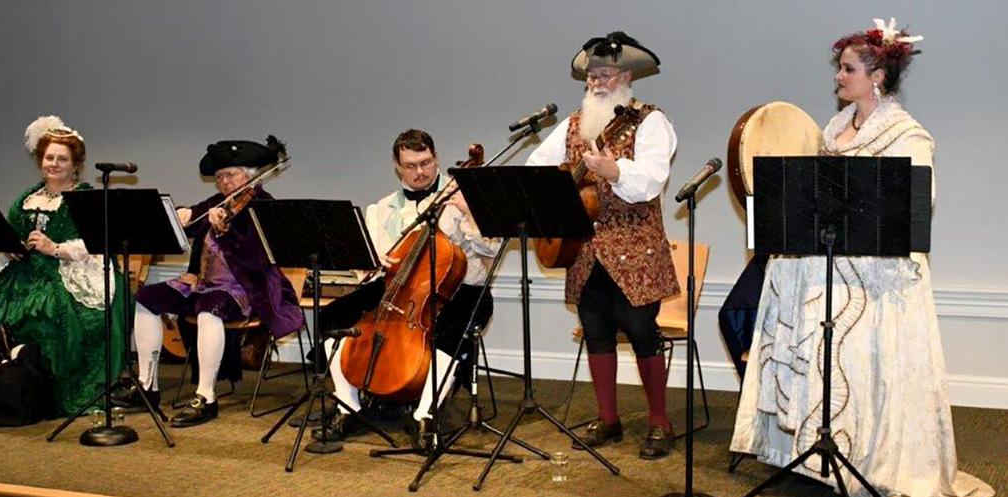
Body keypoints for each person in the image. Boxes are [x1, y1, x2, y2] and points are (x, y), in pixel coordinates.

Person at [730, 18, 994, 497]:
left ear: (876, 77)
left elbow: (915, 199)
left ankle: (871, 454)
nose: (838, 76)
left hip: (877, 275)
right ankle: (819, 453)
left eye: (848, 69)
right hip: (831, 262)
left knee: (860, 359)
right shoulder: (835, 126)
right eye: (840, 68)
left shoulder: (907, 135)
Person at [526, 31, 680, 459]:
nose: (596, 82)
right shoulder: (573, 124)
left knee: (641, 330)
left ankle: (660, 423)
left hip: (635, 249)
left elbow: (650, 181)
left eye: (606, 74)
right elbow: (535, 168)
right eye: (591, 75)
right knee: (595, 332)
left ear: (626, 77)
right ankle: (608, 419)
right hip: (585, 250)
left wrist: (613, 170)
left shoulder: (651, 121)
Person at [317, 129, 498, 447]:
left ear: (436, 158)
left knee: (449, 332)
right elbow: (367, 263)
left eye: (426, 163)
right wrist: (374, 260)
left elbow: (493, 249)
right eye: (411, 165)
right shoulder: (383, 208)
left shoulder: (461, 198)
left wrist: (469, 212)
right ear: (397, 166)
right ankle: (350, 407)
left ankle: (425, 416)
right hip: (398, 289)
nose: (420, 172)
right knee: (333, 317)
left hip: (462, 289)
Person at [113, 136, 303, 427]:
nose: (225, 183)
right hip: (201, 283)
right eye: (219, 177)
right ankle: (146, 385)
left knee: (208, 306)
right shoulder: (216, 203)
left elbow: (259, 261)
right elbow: (192, 220)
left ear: (250, 176)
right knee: (147, 298)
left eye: (231, 175)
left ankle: (206, 397)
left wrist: (226, 232)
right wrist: (181, 216)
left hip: (246, 291)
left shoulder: (265, 207)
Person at [0, 116, 124, 418]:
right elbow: (7, 233)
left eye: (62, 159)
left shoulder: (83, 197)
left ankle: (47, 395)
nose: (54, 164)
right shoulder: (26, 198)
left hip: (67, 272)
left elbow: (94, 244)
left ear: (75, 164)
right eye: (49, 158)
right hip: (24, 273)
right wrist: (11, 250)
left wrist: (54, 248)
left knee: (47, 310)